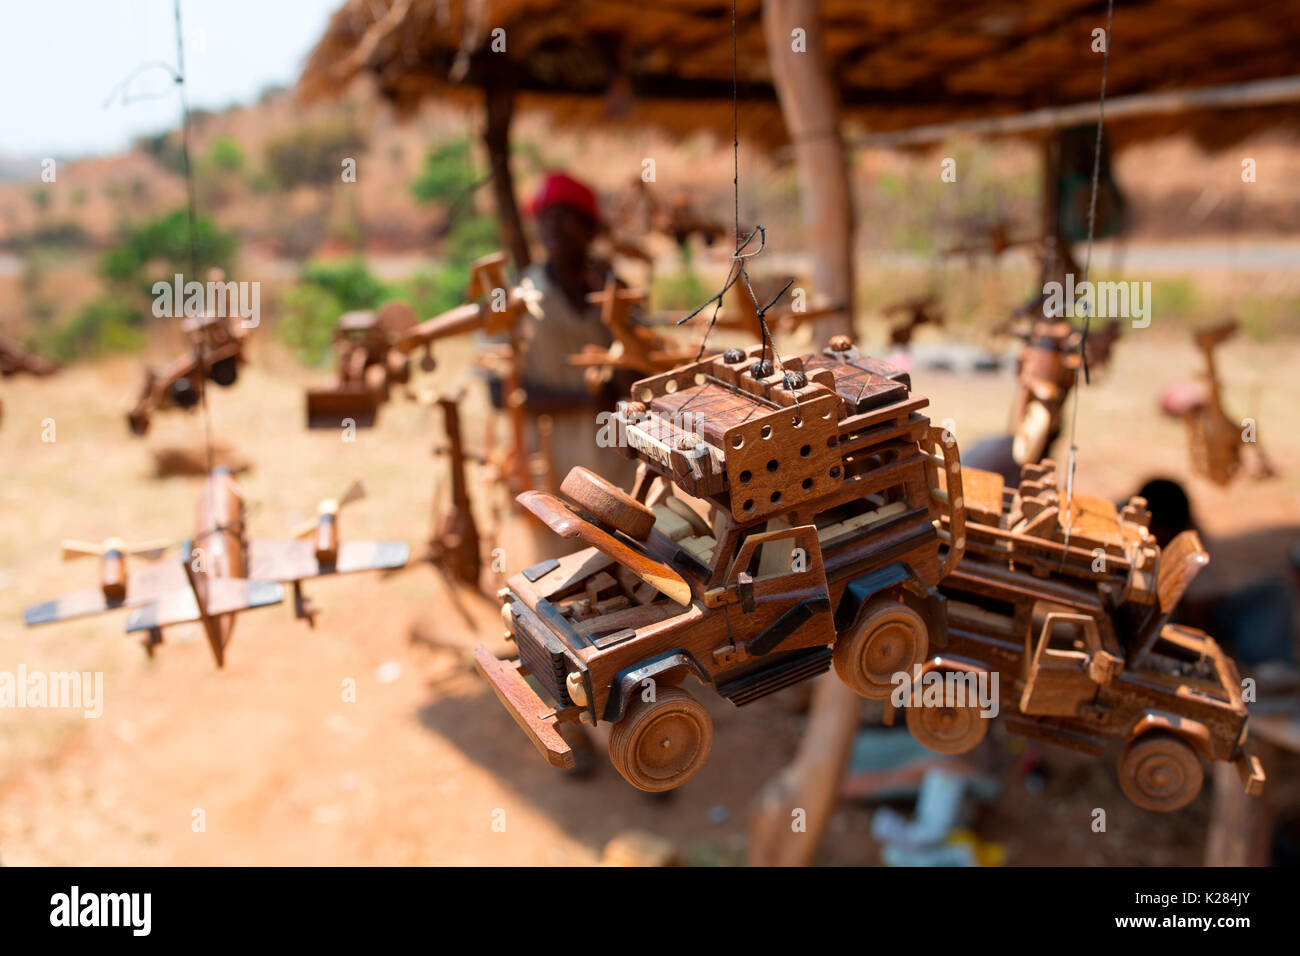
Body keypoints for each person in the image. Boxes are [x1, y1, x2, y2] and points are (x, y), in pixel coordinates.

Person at [490, 172, 640, 576]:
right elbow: (495, 389)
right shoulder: (518, 297)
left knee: (624, 561)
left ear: (591, 228)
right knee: (560, 572)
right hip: (549, 458)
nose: (552, 227)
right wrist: (584, 398)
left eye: (565, 216)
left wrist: (616, 313)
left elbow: (640, 378)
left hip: (614, 456)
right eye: (545, 217)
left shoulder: (615, 289)